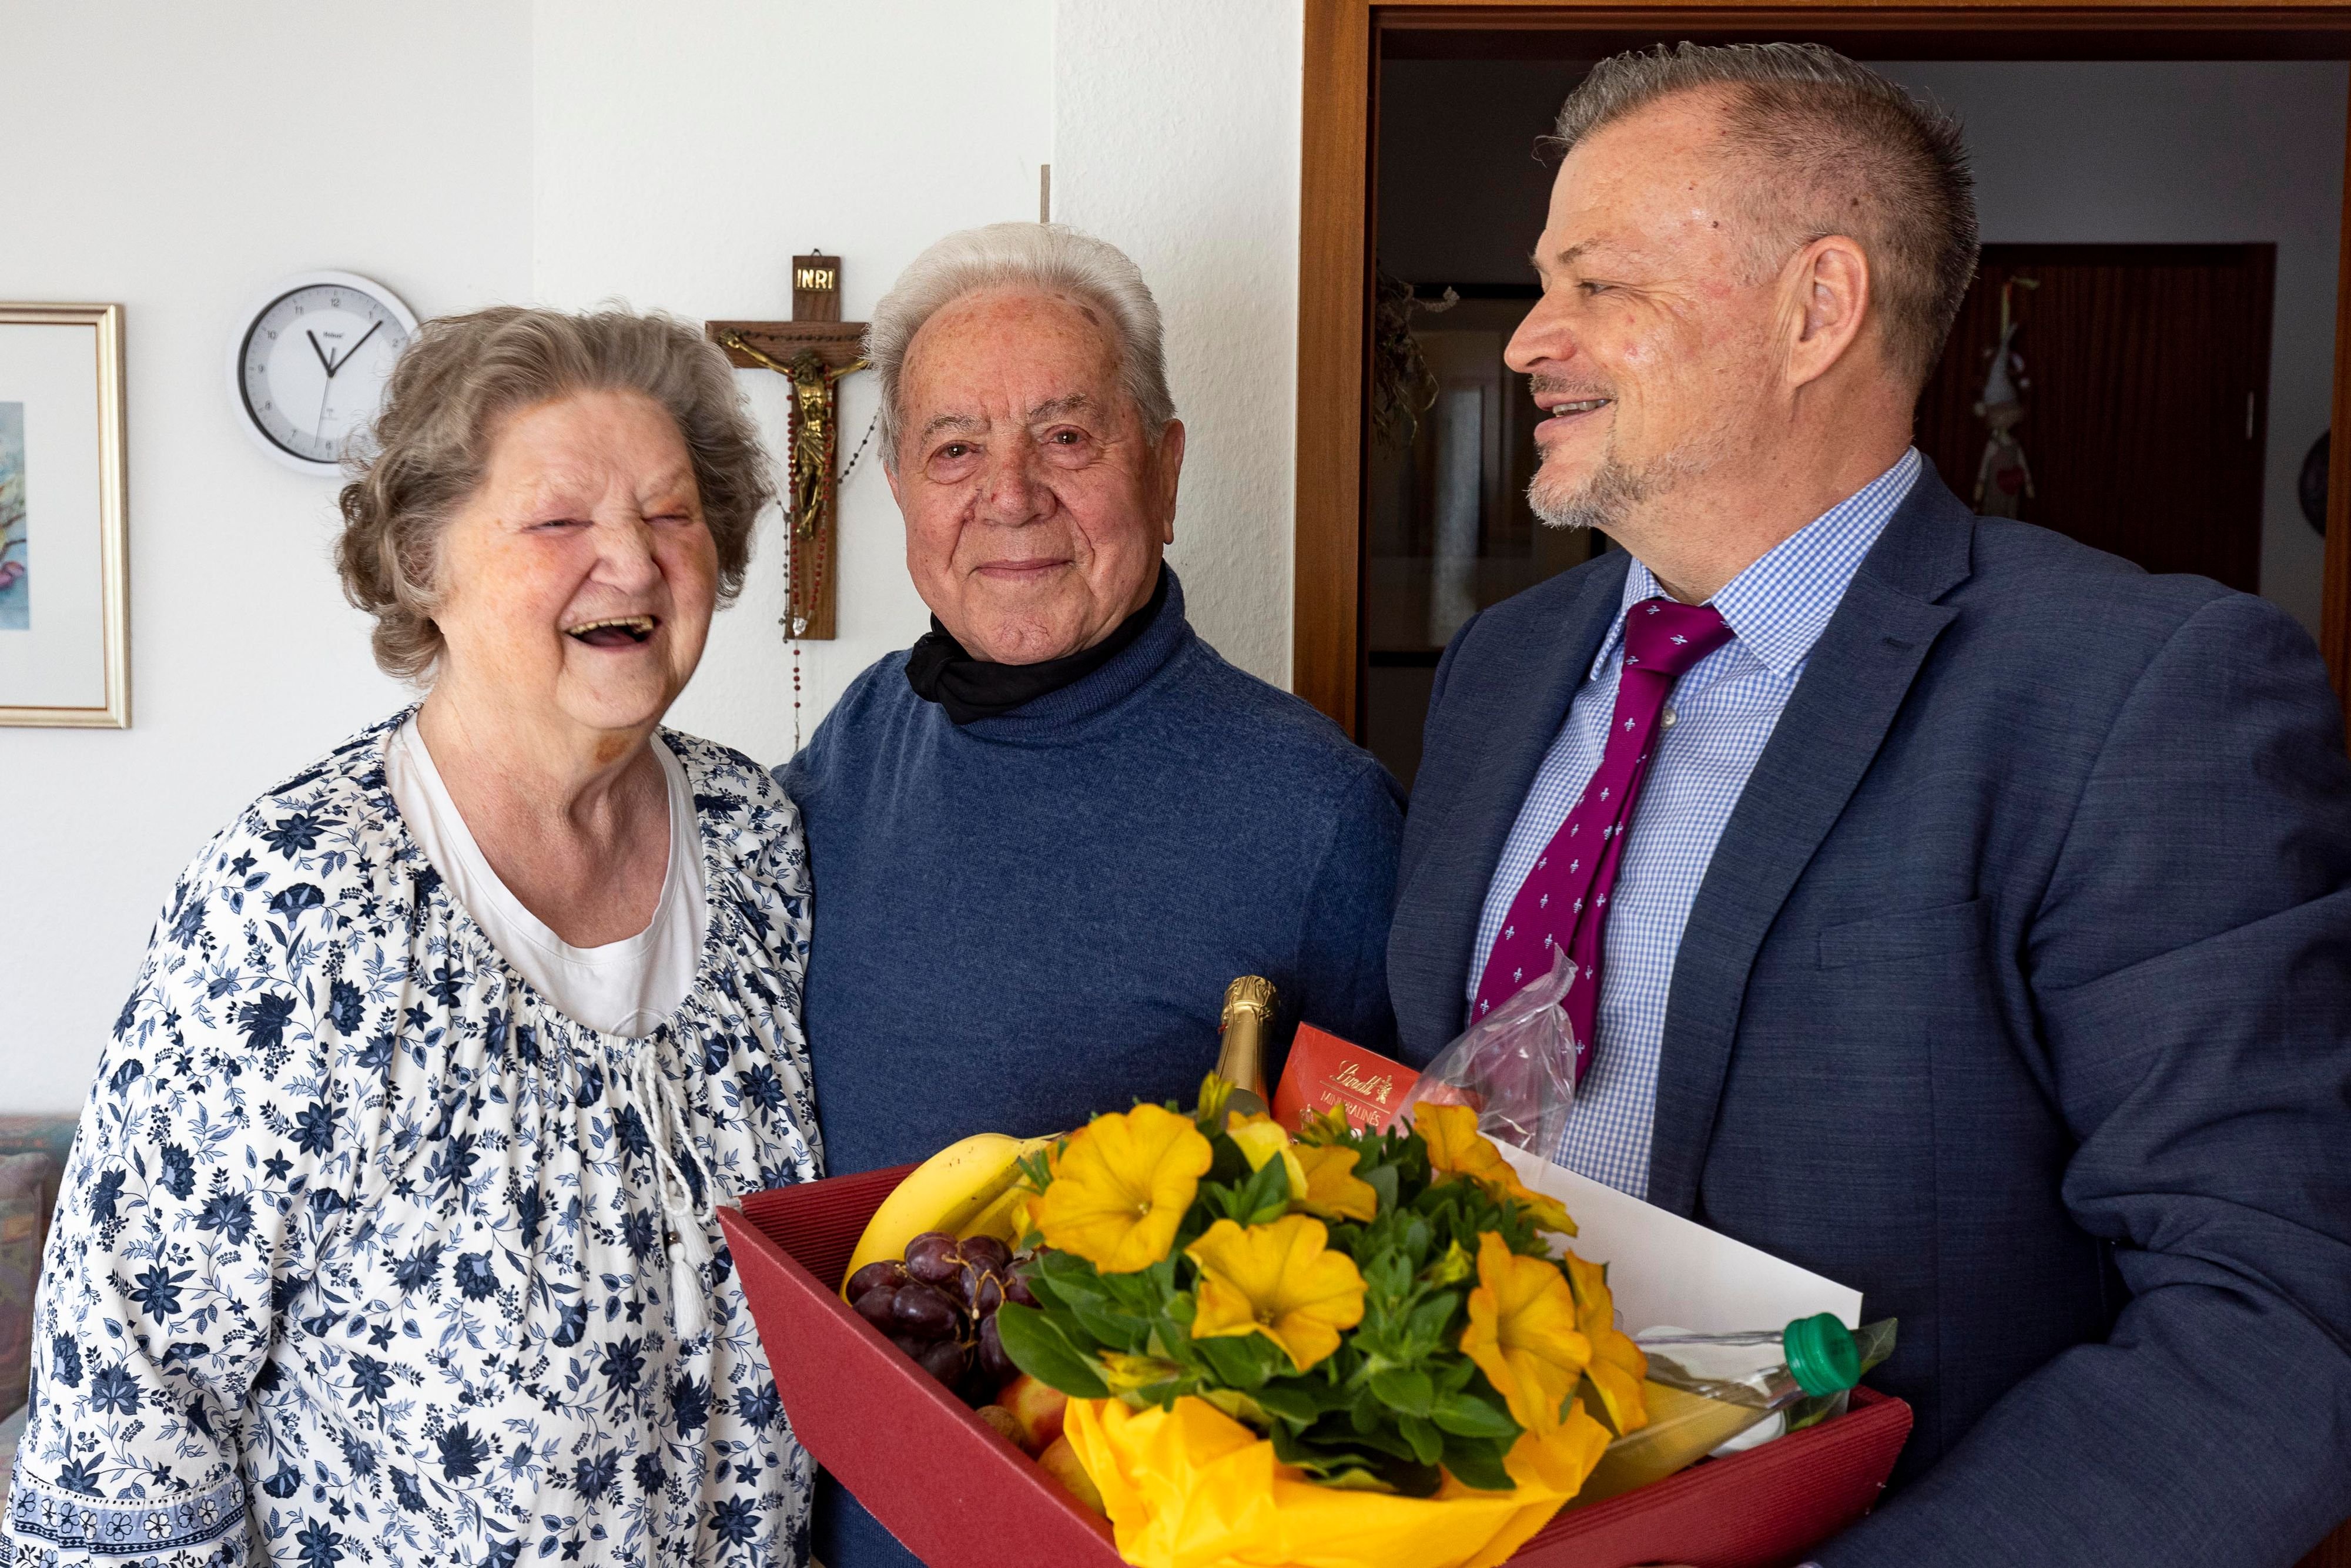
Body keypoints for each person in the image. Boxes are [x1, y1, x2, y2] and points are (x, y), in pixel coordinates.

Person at [1388, 42, 2351, 1568]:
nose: (1527, 343)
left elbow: (2282, 1313)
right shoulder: (1503, 669)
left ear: (1817, 308)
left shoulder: (2142, 694)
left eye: (1598, 283)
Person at [6, 309, 823, 1568]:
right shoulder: (297, 899)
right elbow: (130, 1400)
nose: (632, 560)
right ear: (422, 562)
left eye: (672, 514)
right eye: (558, 521)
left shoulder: (754, 837)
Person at [782, 222, 1405, 1567]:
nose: (1007, 495)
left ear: (1164, 468)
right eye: (953, 447)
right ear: (897, 483)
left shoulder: (1319, 813)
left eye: (1067, 436)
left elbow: (1375, 1257)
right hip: (821, 1514)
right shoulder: (857, 737)